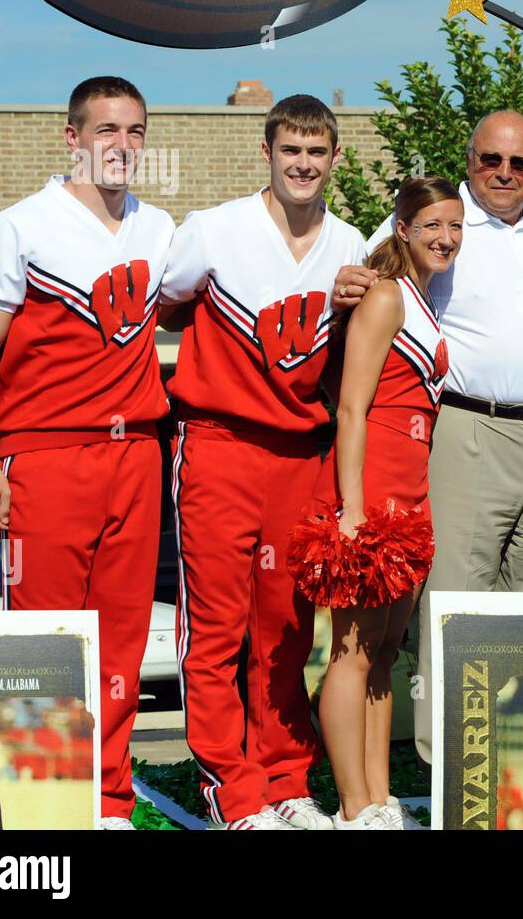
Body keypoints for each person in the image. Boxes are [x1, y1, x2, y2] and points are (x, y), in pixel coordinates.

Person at [0, 76, 173, 830]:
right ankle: (43, 803)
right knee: (50, 634)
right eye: (107, 130)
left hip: (137, 453)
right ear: (73, 138)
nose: (122, 145)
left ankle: (108, 799)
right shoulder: (18, 227)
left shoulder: (160, 227)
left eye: (136, 131)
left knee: (121, 639)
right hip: (46, 453)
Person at [160, 94, 372, 830]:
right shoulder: (213, 229)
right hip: (218, 444)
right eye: (291, 151)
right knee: (216, 629)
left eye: (317, 153)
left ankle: (286, 783)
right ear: (268, 154)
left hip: (300, 455)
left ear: (336, 159)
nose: (304, 165)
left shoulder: (351, 245)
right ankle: (234, 794)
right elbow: (165, 305)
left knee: (287, 631)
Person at [359, 111, 523, 766]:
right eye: (491, 160)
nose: (505, 174)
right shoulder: (443, 217)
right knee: (457, 601)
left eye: (520, 163)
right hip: (470, 430)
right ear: (470, 158)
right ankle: (453, 770)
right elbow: (371, 275)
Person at [319, 176, 463, 831]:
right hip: (371, 493)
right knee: (350, 653)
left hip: (410, 497)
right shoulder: (384, 298)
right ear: (401, 229)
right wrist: (350, 508)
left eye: (455, 227)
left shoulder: (423, 300)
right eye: (431, 225)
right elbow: (352, 407)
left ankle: (378, 796)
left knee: (382, 654)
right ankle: (352, 805)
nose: (446, 237)